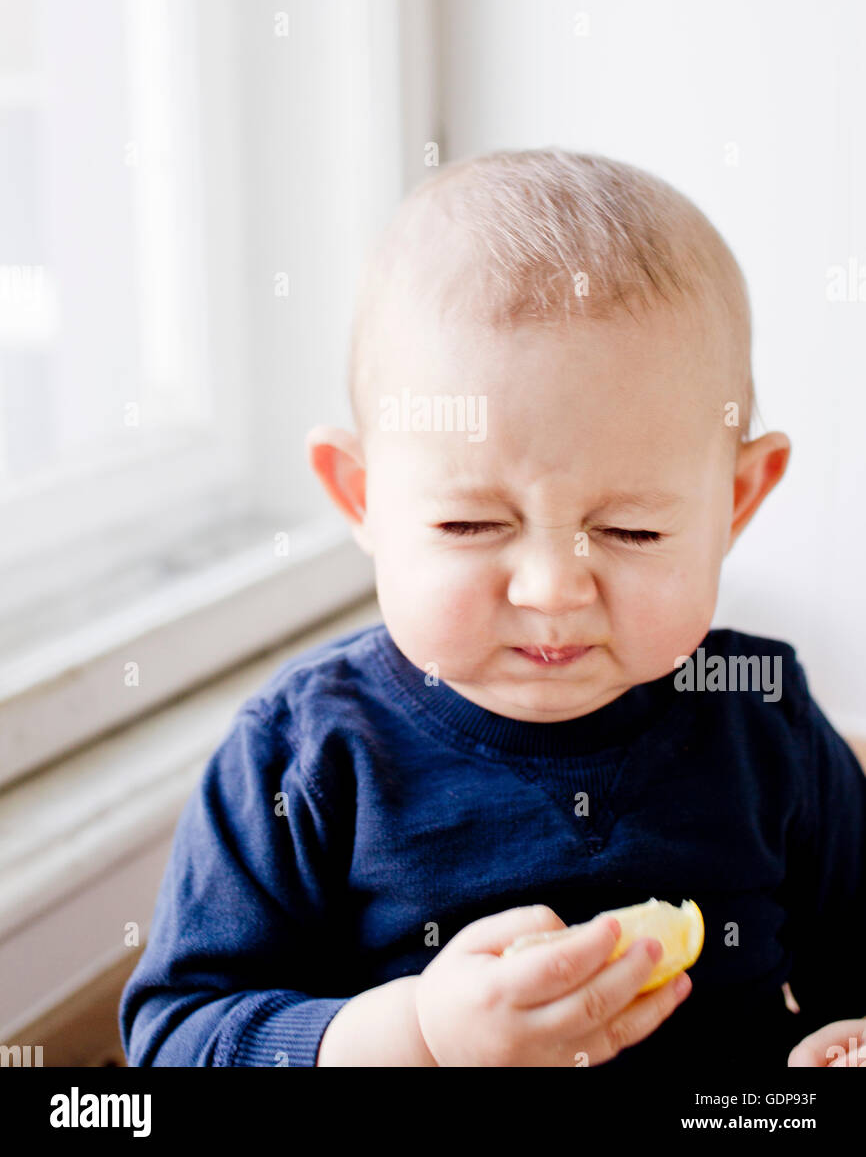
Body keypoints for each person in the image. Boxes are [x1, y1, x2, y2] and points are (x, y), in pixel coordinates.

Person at [120, 148, 866, 1068]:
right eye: (473, 524)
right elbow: (174, 1038)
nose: (553, 589)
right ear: (362, 499)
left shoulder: (763, 715)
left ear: (738, 503)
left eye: (631, 531)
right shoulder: (306, 751)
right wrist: (415, 1038)